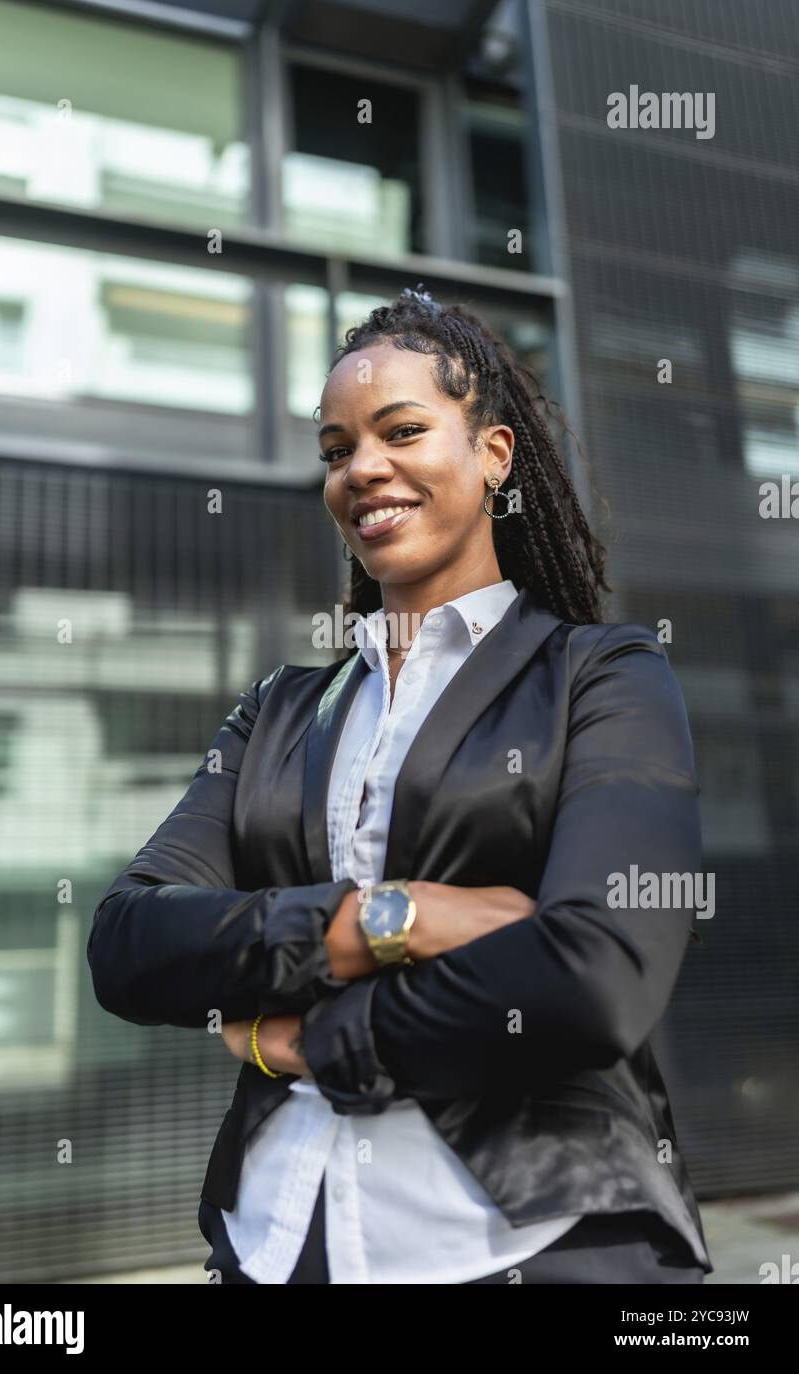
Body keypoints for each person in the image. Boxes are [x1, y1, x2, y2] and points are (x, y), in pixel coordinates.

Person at [87, 286, 713, 1284]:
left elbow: (594, 977)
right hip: (276, 1241)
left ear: (493, 455)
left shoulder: (599, 677)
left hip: (522, 1239)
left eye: (401, 430)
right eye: (336, 451)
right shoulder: (279, 711)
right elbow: (127, 940)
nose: (361, 468)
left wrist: (299, 1039)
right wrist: (393, 916)